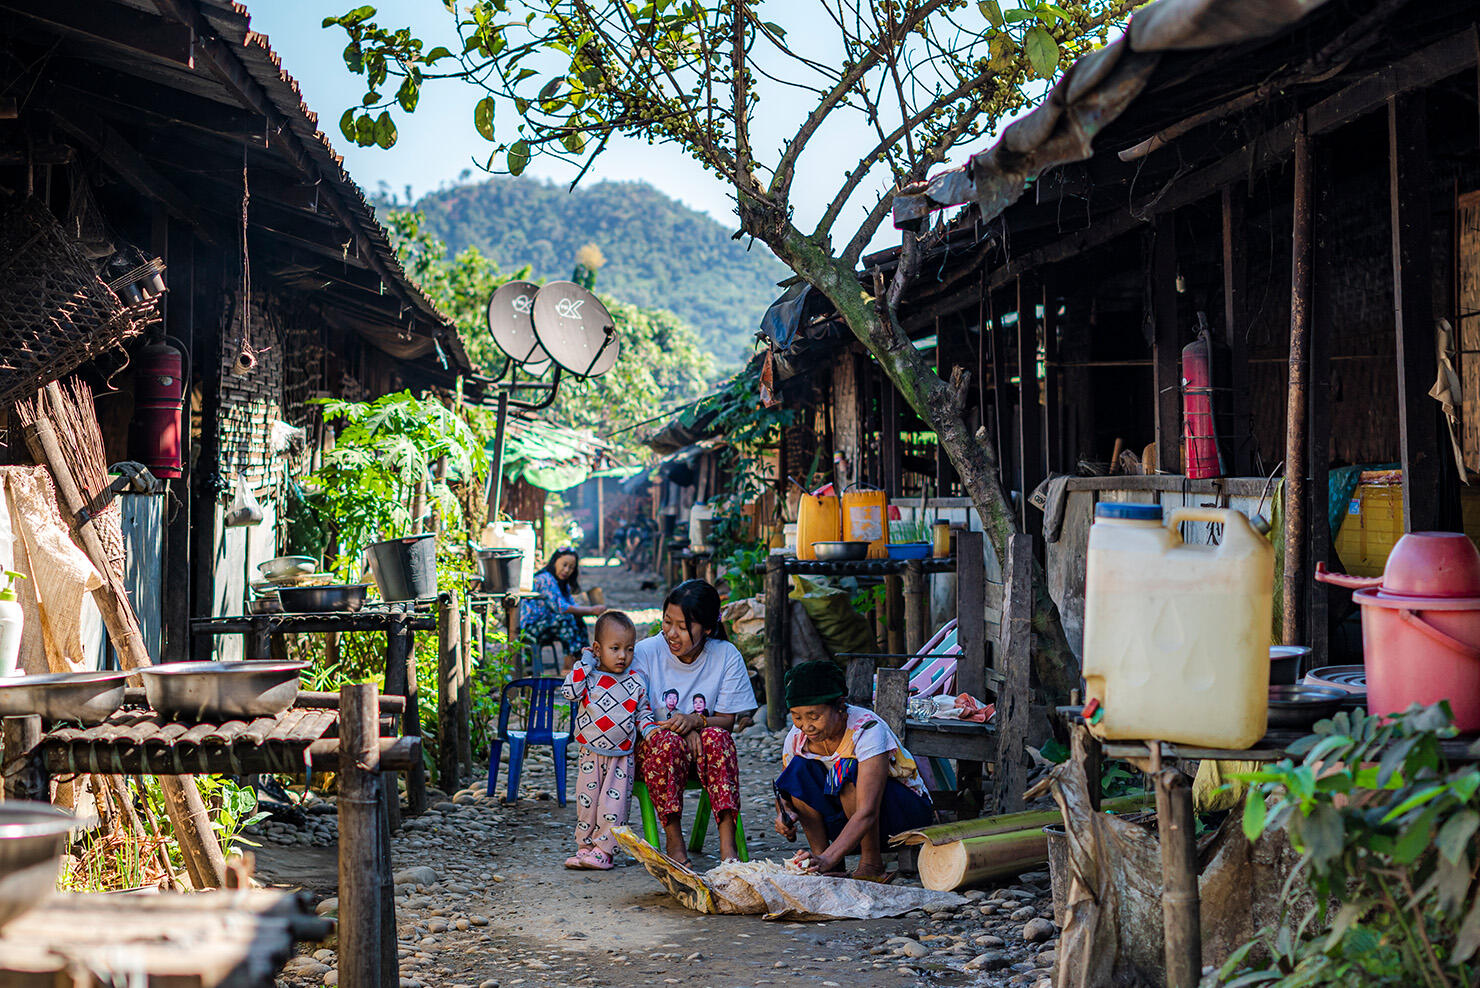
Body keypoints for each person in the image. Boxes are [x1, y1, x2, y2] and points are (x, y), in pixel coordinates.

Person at [631, 579, 757, 866]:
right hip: (653, 754)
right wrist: (683, 729)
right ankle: (674, 843)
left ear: (708, 628)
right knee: (667, 743)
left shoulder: (726, 656)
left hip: (703, 754)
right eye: (667, 622)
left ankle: (728, 850)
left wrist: (695, 721)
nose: (671, 634)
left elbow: (726, 722)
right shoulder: (646, 653)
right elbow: (636, 716)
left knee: (718, 738)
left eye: (683, 627)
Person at [773, 660, 934, 882]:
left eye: (814, 716)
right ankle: (824, 864)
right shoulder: (797, 737)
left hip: (899, 816)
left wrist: (828, 857)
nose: (806, 726)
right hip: (845, 823)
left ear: (840, 705)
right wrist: (786, 813)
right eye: (797, 717)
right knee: (799, 770)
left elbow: (867, 810)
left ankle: (871, 864)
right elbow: (786, 791)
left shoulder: (867, 729)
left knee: (847, 769)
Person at [558, 610, 654, 870]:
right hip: (589, 752)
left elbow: (643, 713)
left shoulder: (636, 682)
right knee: (586, 801)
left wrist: (651, 732)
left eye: (629, 649)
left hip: (621, 757)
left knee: (613, 805)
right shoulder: (589, 678)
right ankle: (585, 846)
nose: (623, 656)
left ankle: (604, 852)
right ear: (598, 649)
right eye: (615, 648)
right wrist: (585, 662)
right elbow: (569, 691)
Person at [520, 547, 606, 662]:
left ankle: (583, 658)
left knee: (578, 620)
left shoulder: (562, 584)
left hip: (546, 624)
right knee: (566, 619)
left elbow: (572, 605)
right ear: (555, 561)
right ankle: (569, 662)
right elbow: (561, 608)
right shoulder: (545, 578)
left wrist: (589, 610)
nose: (566, 570)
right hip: (529, 628)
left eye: (571, 567)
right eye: (564, 565)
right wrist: (591, 610)